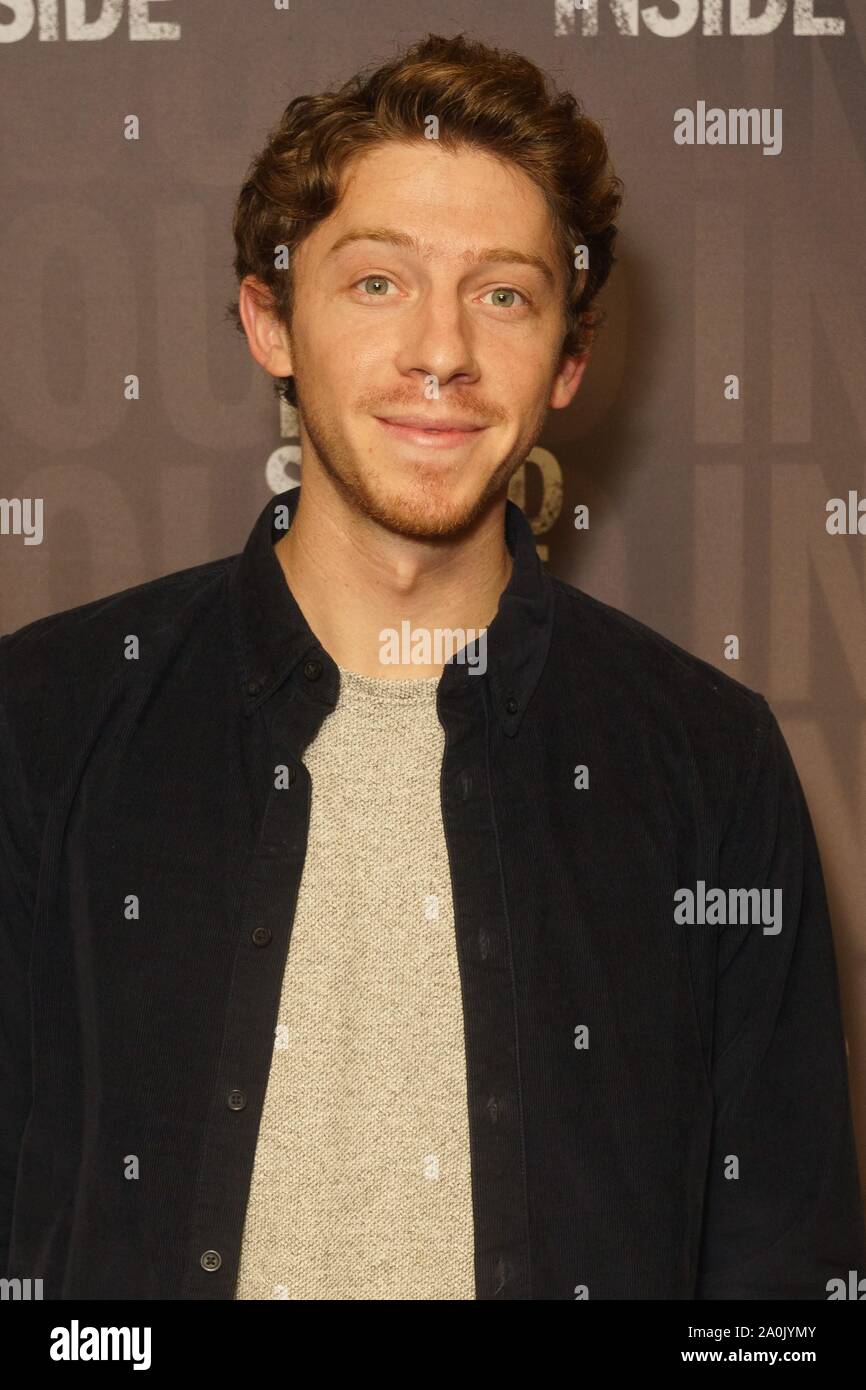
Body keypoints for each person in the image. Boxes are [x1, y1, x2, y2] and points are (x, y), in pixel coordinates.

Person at [1, 31, 863, 1301]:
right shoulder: (43, 720)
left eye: (503, 294)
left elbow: (778, 1280)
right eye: (376, 284)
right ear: (268, 320)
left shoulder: (709, 765)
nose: (440, 353)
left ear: (566, 360)